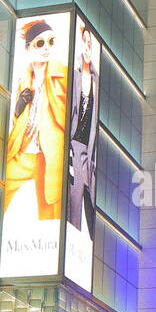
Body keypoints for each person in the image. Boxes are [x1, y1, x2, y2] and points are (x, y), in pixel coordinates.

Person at [4, 18, 68, 221]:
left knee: (50, 209)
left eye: (51, 42)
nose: (46, 48)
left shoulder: (62, 75)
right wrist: (19, 107)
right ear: (28, 48)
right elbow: (18, 121)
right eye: (40, 43)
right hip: (23, 152)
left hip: (48, 156)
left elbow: (68, 116)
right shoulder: (24, 78)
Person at [67, 24, 97, 235]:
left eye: (89, 42)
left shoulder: (97, 81)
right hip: (75, 149)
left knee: (94, 213)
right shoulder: (74, 76)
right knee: (74, 211)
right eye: (84, 40)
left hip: (91, 154)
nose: (86, 45)